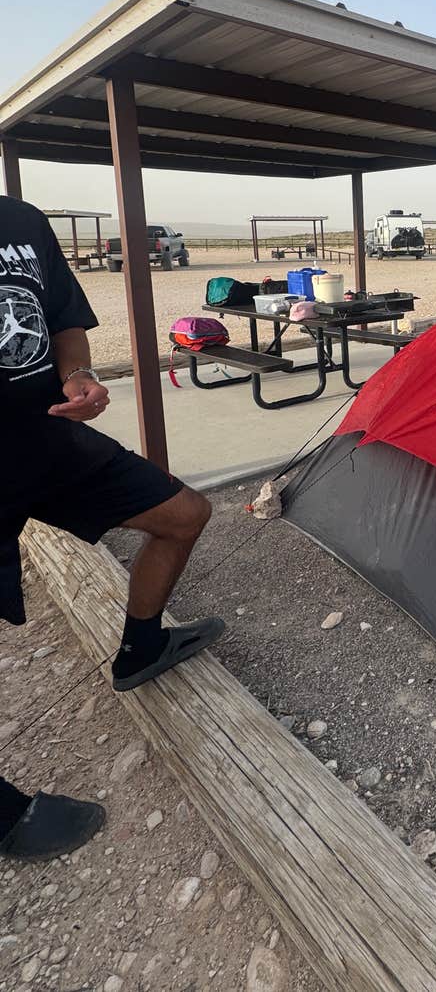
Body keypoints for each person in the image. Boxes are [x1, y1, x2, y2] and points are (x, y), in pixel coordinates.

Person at [0, 195, 223, 862]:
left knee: (184, 516)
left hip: (49, 437)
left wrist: (80, 376)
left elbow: (64, 320)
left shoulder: (21, 220)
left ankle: (142, 649)